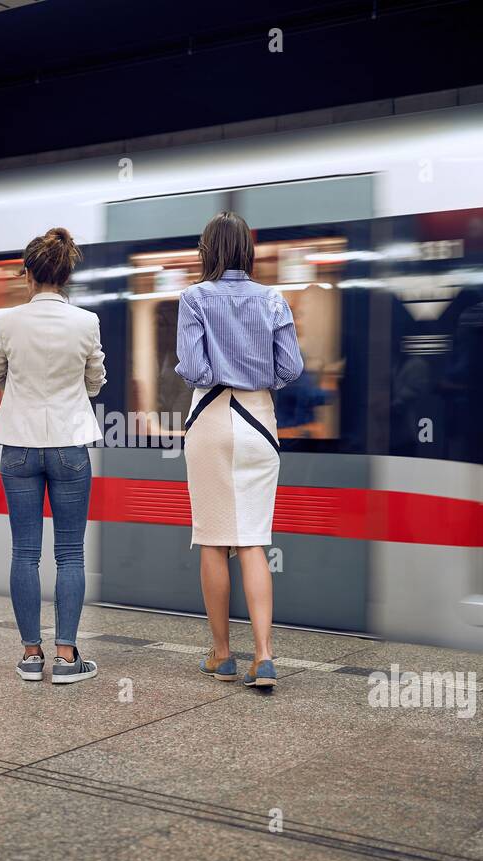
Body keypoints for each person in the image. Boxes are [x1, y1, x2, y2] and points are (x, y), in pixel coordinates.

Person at [175, 211, 304, 688]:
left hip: (211, 419)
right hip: (259, 424)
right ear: (247, 251)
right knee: (252, 539)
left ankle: (222, 654)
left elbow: (195, 370)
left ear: (208, 251)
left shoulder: (193, 298)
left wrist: (223, 367)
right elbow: (291, 368)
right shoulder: (273, 299)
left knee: (213, 539)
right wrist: (256, 377)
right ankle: (265, 658)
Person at [0, 227, 106, 685]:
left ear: (29, 274)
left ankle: (31, 656)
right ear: (66, 275)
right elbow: (95, 382)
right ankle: (68, 656)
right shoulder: (86, 322)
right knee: (70, 553)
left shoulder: (7, 320)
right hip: (71, 445)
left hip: (19, 446)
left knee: (25, 553)